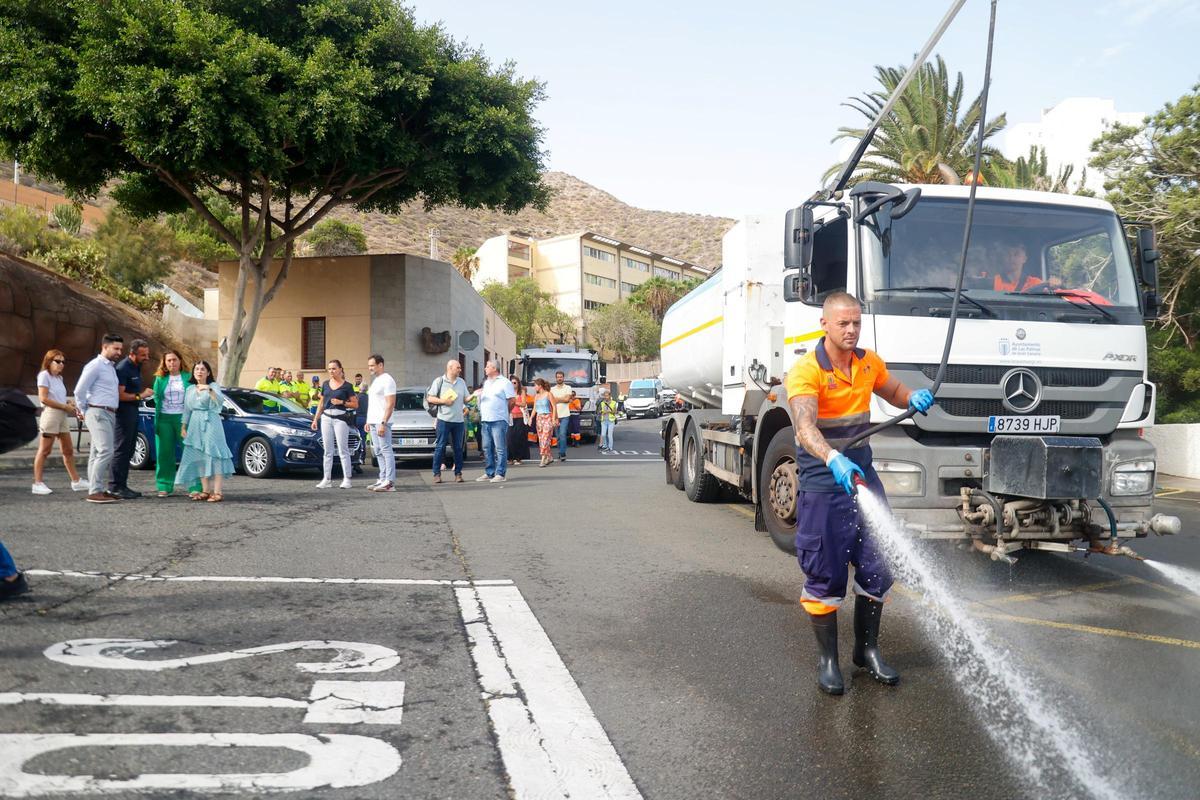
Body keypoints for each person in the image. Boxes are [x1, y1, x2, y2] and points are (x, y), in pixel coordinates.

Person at [786, 291, 935, 696]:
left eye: (856, 323)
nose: (851, 330)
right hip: (823, 479)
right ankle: (828, 660)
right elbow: (804, 428)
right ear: (825, 324)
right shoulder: (805, 372)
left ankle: (866, 652)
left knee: (878, 560)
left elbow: (892, 390)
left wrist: (912, 397)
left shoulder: (868, 362)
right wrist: (833, 457)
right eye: (843, 324)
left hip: (863, 473)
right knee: (825, 568)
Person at [73, 333, 125, 504]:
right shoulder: (95, 365)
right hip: (97, 412)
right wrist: (83, 409)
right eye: (116, 348)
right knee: (106, 450)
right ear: (105, 347)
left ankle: (96, 489)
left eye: (120, 349)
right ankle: (95, 491)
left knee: (96, 452)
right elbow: (79, 390)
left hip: (108, 412)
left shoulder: (110, 367)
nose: (119, 352)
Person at [177, 360, 234, 502]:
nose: (199, 371)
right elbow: (187, 409)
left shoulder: (213, 386)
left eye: (203, 369)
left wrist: (208, 389)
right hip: (195, 423)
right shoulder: (190, 389)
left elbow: (219, 401)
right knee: (200, 456)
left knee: (215, 455)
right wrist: (183, 426)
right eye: (197, 369)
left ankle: (218, 492)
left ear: (208, 372)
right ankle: (205, 490)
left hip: (211, 422)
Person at [31, 349, 86, 495]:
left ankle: (76, 481)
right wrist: (64, 406)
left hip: (62, 415)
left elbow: (56, 396)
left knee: (68, 450)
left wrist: (67, 402)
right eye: (58, 361)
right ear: (49, 362)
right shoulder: (44, 376)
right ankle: (37, 483)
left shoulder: (59, 378)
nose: (61, 364)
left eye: (63, 362)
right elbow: (43, 398)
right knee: (45, 450)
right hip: (50, 415)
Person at [151, 350, 203, 498]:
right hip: (164, 420)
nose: (172, 363)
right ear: (165, 363)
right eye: (168, 361)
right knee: (164, 453)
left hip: (184, 419)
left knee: (190, 452)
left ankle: (195, 487)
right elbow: (156, 399)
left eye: (174, 360)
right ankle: (164, 485)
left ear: (180, 361)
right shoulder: (160, 379)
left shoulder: (188, 377)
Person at [110, 338, 153, 499]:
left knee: (129, 450)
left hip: (133, 412)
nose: (146, 358)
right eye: (143, 355)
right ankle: (114, 486)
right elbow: (119, 395)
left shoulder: (136, 367)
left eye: (147, 354)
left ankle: (123, 485)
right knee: (121, 450)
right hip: (123, 414)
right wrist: (140, 395)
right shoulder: (123, 368)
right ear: (132, 354)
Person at [311, 359, 357, 489]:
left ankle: (347, 479)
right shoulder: (325, 384)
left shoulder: (347, 386)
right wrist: (315, 419)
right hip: (326, 418)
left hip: (340, 418)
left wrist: (341, 402)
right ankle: (327, 479)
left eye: (334, 368)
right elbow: (321, 403)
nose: (331, 371)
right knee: (328, 450)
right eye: (329, 369)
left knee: (343, 449)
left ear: (340, 369)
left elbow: (355, 404)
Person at [427, 359, 469, 484]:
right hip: (444, 419)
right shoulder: (439, 381)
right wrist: (444, 401)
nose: (460, 370)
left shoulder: (461, 382)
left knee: (458, 448)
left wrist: (473, 396)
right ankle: (436, 474)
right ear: (450, 368)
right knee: (440, 446)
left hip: (458, 421)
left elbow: (466, 399)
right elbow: (430, 397)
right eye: (458, 367)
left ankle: (458, 474)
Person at [475, 360, 516, 483]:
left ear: (494, 368)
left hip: (498, 419)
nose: (485, 369)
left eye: (487, 366)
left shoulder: (505, 382)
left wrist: (504, 412)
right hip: (486, 419)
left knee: (500, 448)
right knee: (487, 447)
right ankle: (489, 472)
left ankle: (500, 473)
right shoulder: (486, 383)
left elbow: (512, 400)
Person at [365, 354, 397, 492]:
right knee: (377, 451)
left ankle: (390, 482)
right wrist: (368, 421)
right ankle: (382, 478)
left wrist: (383, 423)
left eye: (372, 365)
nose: (370, 368)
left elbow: (390, 404)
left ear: (380, 365)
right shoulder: (376, 381)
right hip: (373, 421)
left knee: (386, 450)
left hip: (382, 421)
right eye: (369, 366)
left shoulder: (388, 380)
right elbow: (373, 403)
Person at [532, 378, 558, 467]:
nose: (534, 387)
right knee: (541, 439)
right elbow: (535, 408)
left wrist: (554, 419)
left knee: (545, 438)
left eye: (535, 385)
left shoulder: (548, 394)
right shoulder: (536, 396)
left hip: (547, 417)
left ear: (540, 386)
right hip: (539, 418)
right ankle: (549, 456)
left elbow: (554, 407)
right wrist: (531, 418)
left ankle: (543, 458)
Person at [550, 371, 575, 462]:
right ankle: (560, 452)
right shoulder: (552, 389)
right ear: (556, 378)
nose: (559, 378)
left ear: (563, 378)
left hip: (565, 415)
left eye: (561, 377)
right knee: (558, 436)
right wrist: (562, 399)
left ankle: (563, 453)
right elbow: (552, 401)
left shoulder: (568, 387)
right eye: (558, 377)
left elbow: (567, 399)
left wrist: (557, 399)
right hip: (555, 415)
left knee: (562, 434)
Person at [506, 375, 530, 466]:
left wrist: (514, 402)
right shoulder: (508, 392)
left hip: (520, 417)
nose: (513, 384)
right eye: (511, 383)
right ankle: (510, 457)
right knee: (510, 437)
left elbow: (523, 403)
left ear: (518, 383)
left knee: (519, 438)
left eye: (515, 383)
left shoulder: (521, 391)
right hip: (511, 417)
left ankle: (518, 458)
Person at [597, 389, 618, 453]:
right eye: (605, 396)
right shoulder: (602, 403)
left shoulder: (614, 402)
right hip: (603, 421)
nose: (606, 397)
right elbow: (599, 411)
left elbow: (615, 411)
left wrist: (609, 411)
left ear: (609, 396)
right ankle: (605, 445)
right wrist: (601, 412)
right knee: (603, 435)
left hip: (611, 421)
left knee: (609, 435)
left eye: (607, 396)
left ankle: (610, 447)